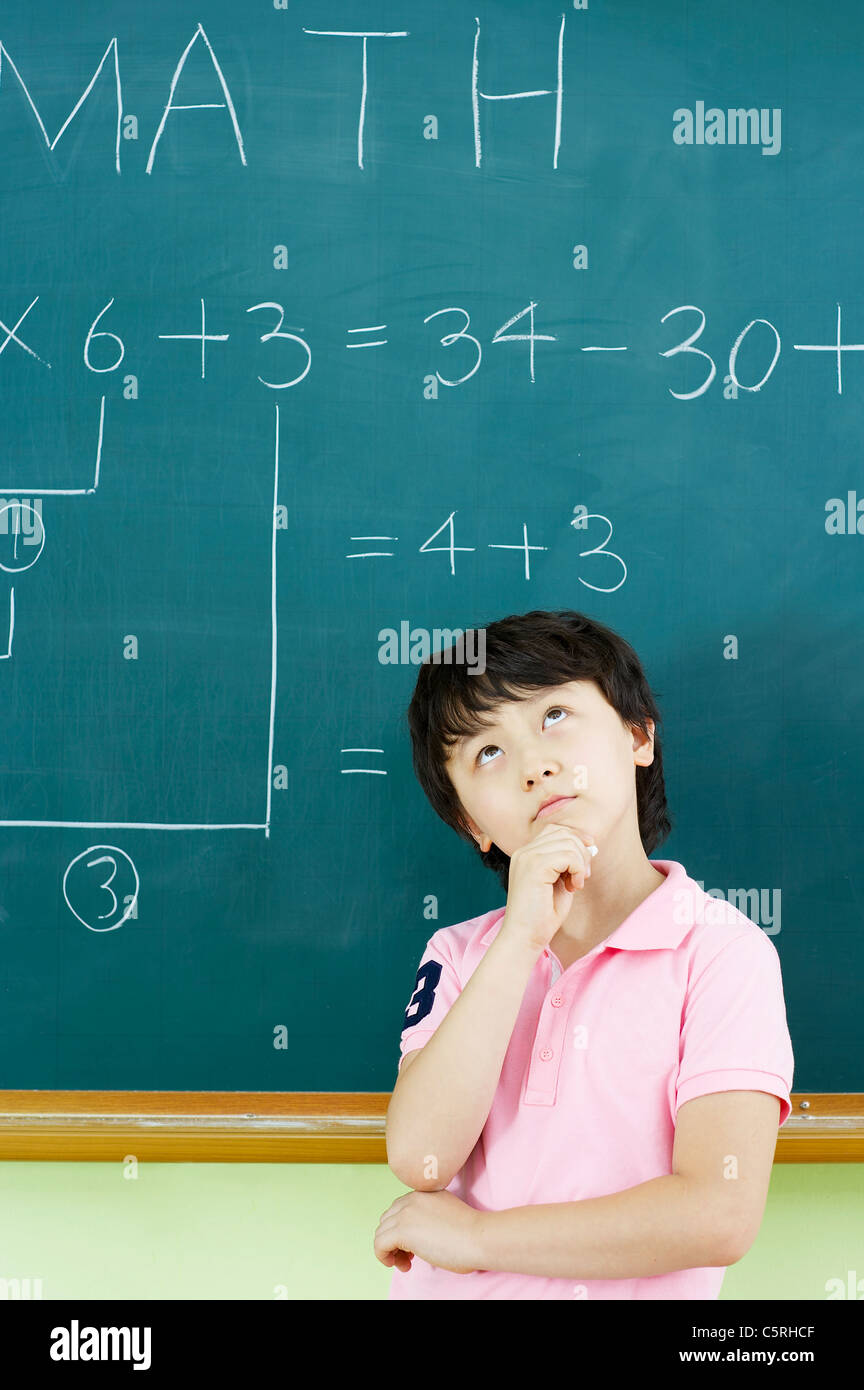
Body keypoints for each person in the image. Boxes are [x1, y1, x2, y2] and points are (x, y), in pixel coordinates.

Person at [376, 608, 794, 1299]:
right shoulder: (458, 955)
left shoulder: (722, 952)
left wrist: (479, 1240)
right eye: (487, 752)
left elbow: (718, 1213)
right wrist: (520, 939)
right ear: (471, 823)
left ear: (637, 735)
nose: (535, 765)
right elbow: (419, 1156)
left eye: (555, 717)